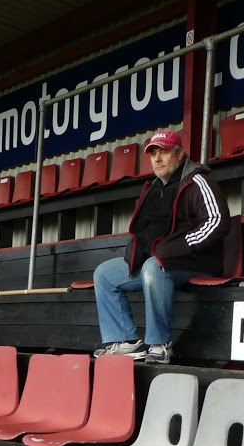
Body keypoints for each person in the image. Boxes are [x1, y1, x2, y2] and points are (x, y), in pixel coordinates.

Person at [92, 130, 234, 364]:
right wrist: (134, 254)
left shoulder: (196, 181)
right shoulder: (153, 188)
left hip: (194, 261)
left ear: (179, 154)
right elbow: (145, 231)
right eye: (153, 154)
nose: (157, 159)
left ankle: (159, 344)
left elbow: (217, 222)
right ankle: (127, 342)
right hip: (159, 261)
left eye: (164, 152)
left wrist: (183, 246)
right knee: (105, 274)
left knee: (152, 267)